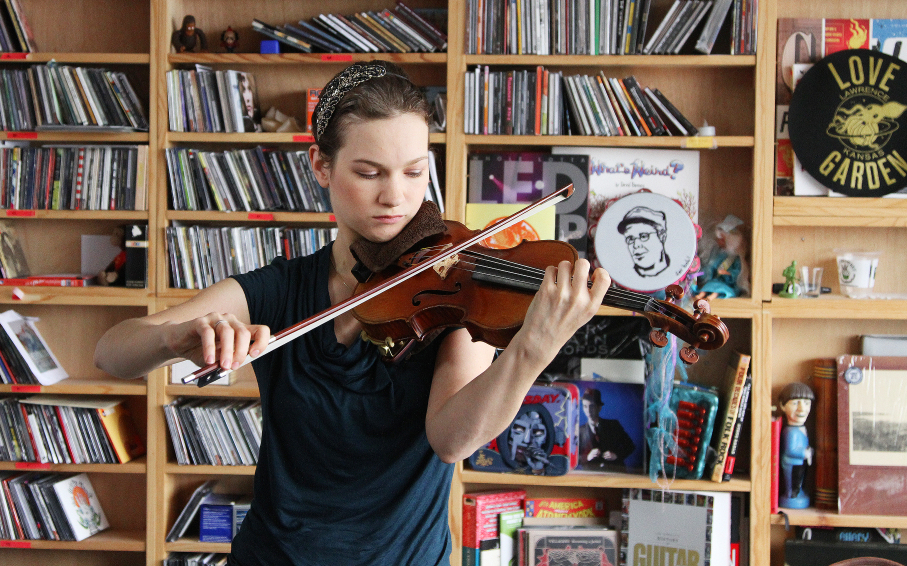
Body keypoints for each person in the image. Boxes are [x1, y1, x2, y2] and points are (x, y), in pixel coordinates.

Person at [93, 60, 611, 566]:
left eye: (414, 172)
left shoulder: (451, 290)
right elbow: (112, 352)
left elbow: (452, 440)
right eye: (369, 173)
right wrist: (178, 336)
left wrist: (532, 350)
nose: (397, 197)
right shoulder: (280, 289)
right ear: (321, 165)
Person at [578, 388, 636, 470]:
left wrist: (616, 455)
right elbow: (573, 457)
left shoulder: (613, 425)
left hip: (615, 474)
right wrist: (587, 457)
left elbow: (630, 446)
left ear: (599, 408)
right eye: (585, 406)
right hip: (591, 477)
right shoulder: (580, 431)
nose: (588, 411)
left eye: (592, 406)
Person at [778, 382, 814, 509]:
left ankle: (798, 492)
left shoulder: (801, 428)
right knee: (793, 482)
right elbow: (790, 450)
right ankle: (791, 495)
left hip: (800, 463)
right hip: (792, 463)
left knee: (800, 480)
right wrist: (804, 453)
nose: (802, 409)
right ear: (782, 406)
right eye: (795, 403)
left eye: (806, 403)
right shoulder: (791, 431)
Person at [617, 205, 670, 278]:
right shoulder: (623, 277)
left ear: (662, 236)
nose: (636, 245)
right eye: (630, 239)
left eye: (643, 236)